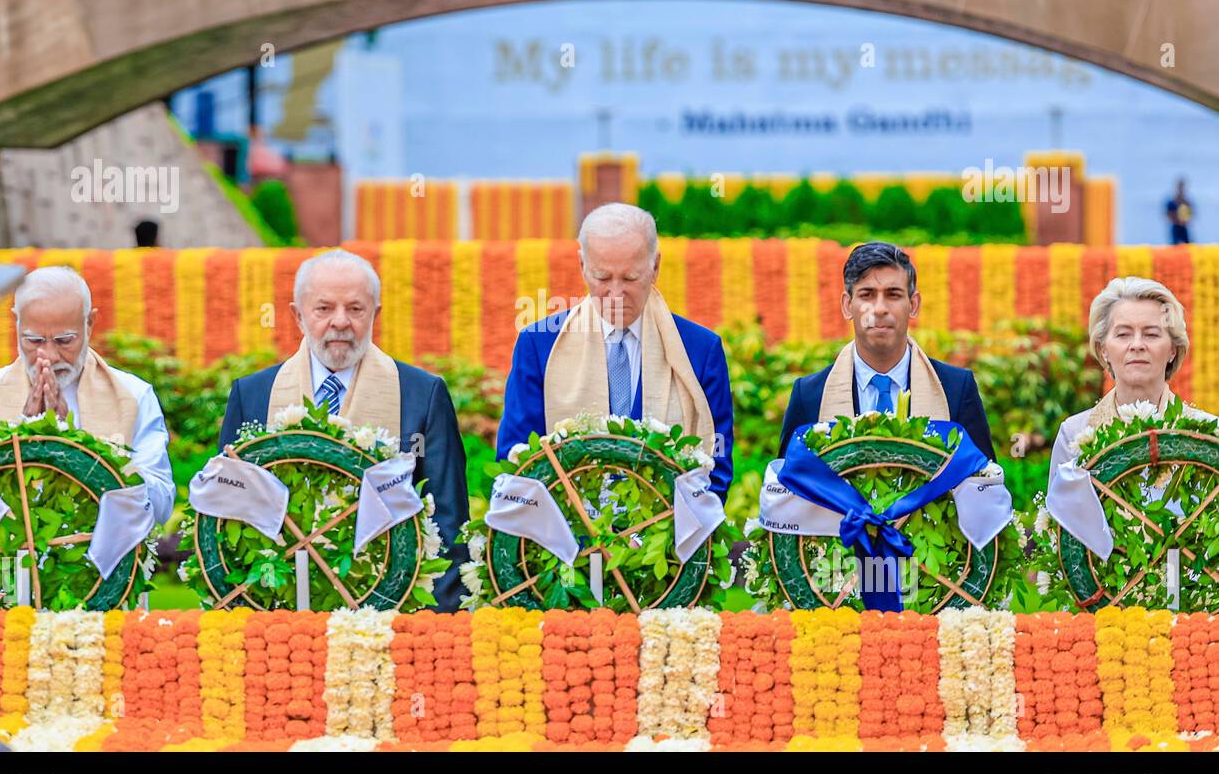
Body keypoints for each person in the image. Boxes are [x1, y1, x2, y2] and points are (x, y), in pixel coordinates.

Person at [218, 249, 469, 609]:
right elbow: (228, 509)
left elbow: (449, 520)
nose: (340, 322)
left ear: (375, 314)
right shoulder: (253, 395)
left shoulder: (422, 394)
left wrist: (432, 625)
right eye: (323, 309)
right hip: (279, 611)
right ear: (298, 316)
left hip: (396, 610)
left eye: (355, 309)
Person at [496, 203, 734, 498]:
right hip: (565, 541)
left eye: (631, 278)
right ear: (582, 265)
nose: (616, 293)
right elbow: (516, 461)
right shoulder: (539, 345)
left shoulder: (700, 350)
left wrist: (669, 536)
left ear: (656, 266)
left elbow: (716, 467)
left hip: (671, 539)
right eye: (603, 278)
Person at [0, 266, 175, 526]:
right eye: (33, 340)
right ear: (17, 322)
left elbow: (161, 507)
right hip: (5, 563)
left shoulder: (134, 395)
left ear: (89, 323)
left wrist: (77, 448)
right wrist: (21, 440)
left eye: (64, 340)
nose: (49, 356)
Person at [777, 241, 995, 458]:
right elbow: (787, 488)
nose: (879, 309)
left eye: (893, 294)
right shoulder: (809, 395)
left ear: (914, 304)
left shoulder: (955, 390)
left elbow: (985, 482)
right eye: (867, 294)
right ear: (847, 305)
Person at [1049, 276, 1211, 473]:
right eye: (1123, 334)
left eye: (1151, 334)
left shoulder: (1207, 434)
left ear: (1173, 350)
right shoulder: (1074, 435)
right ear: (1103, 349)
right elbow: (1062, 504)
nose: (1136, 345)